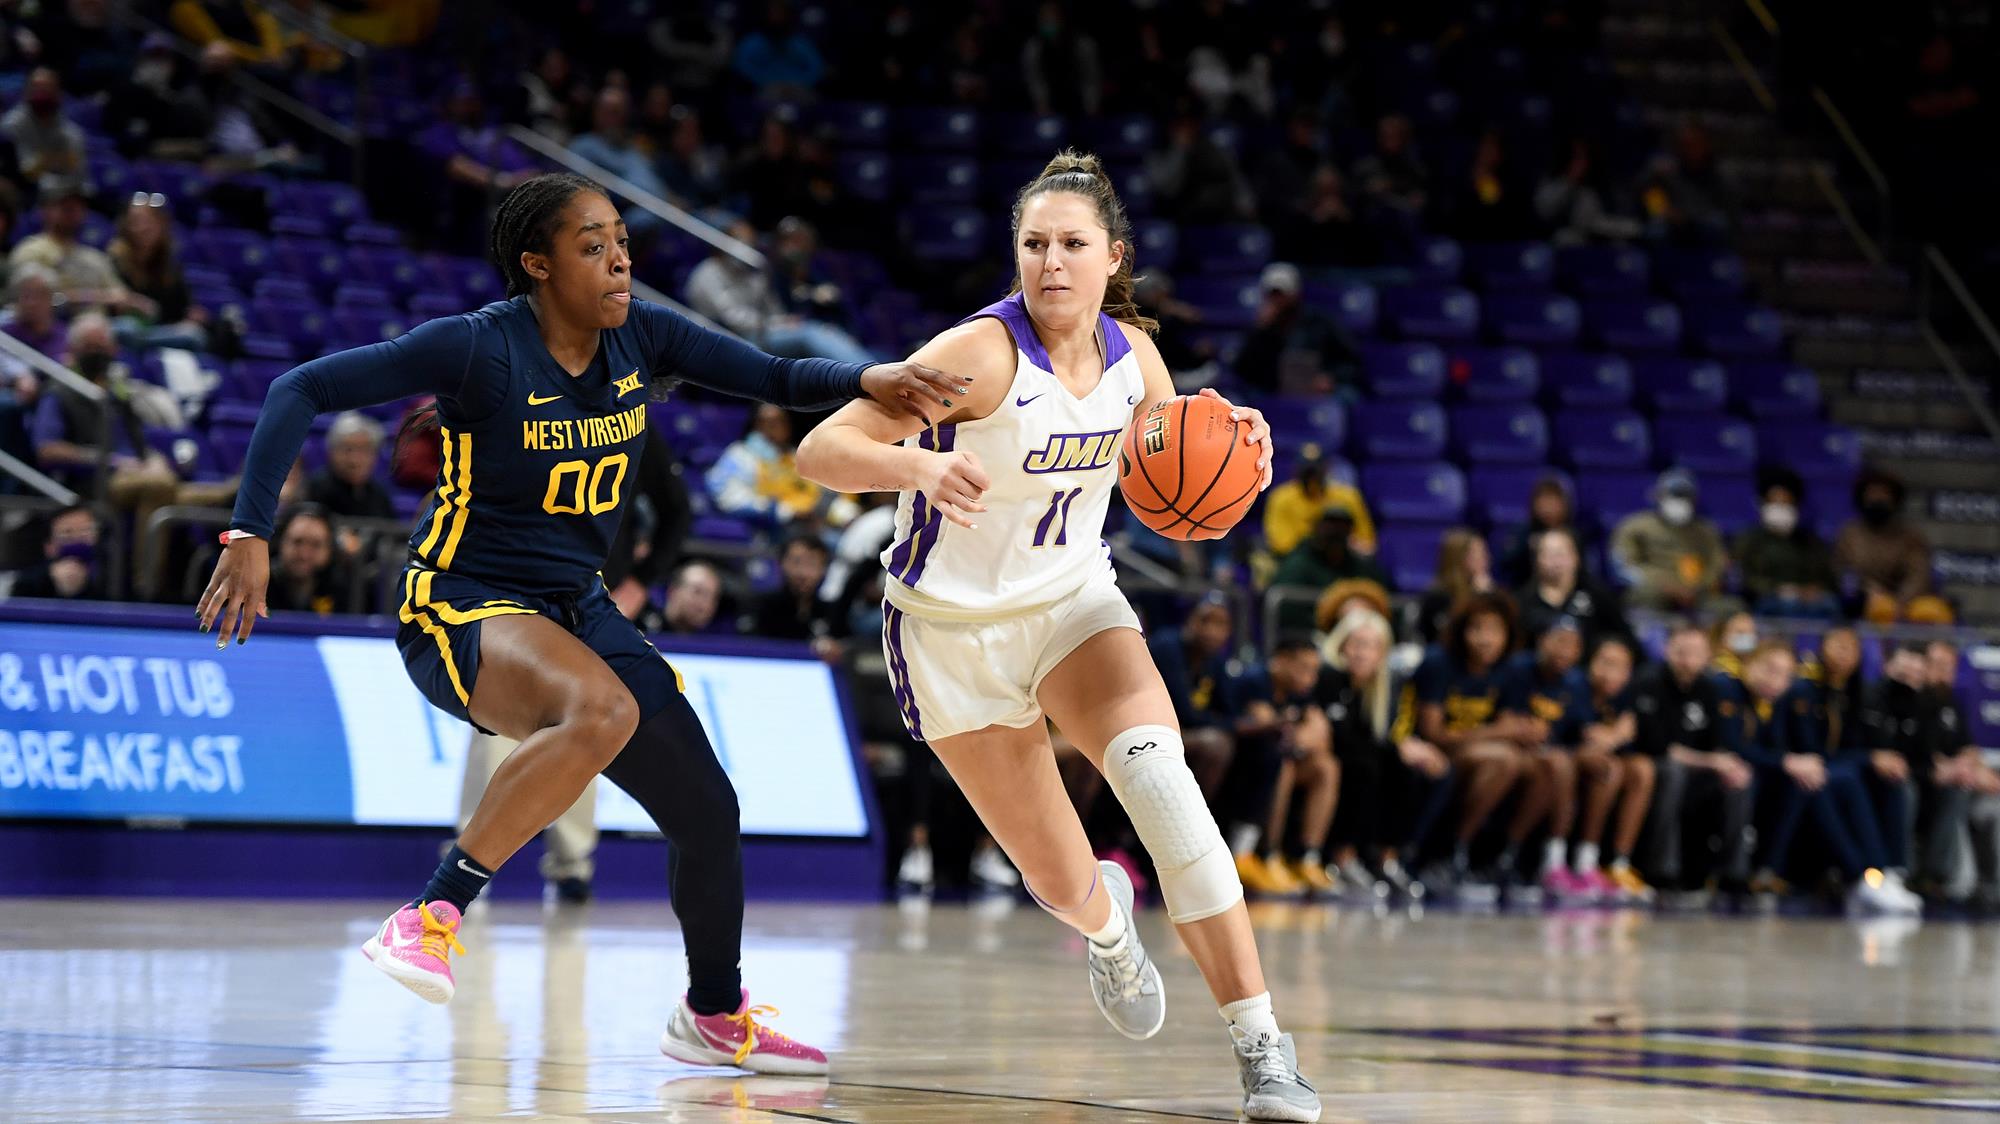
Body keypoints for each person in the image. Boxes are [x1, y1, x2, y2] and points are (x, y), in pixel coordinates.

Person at [194, 171, 963, 1073]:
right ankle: (429, 915)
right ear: (538, 265)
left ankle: (713, 1015)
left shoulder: (644, 335)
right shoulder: (478, 350)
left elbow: (777, 374)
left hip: (579, 607)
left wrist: (870, 375)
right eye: (592, 245)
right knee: (600, 712)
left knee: (708, 811)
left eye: (622, 242)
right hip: (459, 600)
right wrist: (250, 530)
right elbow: (299, 388)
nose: (618, 260)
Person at [792, 151, 1321, 1120]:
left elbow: (1180, 451)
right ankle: (1108, 931)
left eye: (1070, 244)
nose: (1049, 262)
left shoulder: (1132, 356)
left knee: (1167, 792)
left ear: (1111, 256)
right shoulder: (978, 355)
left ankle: (1262, 1046)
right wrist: (913, 469)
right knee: (1058, 876)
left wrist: (1239, 437)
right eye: (1032, 244)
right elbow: (820, 447)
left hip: (1075, 604)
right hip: (950, 632)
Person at [1730, 641, 1918, 913]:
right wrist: (1787, 762)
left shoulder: (1780, 703)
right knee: (1814, 783)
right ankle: (1860, 876)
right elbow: (1734, 746)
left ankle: (1881, 872)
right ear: (1750, 665)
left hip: (1777, 779)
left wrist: (1794, 762)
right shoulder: (1731, 693)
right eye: (1770, 669)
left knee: (1842, 779)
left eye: (1785, 674)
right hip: (1751, 782)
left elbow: (1792, 748)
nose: (1777, 680)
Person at [1408, 590, 1537, 901]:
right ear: (1461, 630)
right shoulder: (1439, 663)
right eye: (1477, 629)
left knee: (1543, 765)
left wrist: (1526, 732)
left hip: (1482, 753)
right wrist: (1496, 732)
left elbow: (1512, 729)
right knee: (1503, 760)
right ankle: (1453, 851)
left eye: (1494, 631)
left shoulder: (1510, 670)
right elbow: (1434, 733)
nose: (1484, 639)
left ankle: (1505, 857)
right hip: (1435, 751)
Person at [1320, 609, 1448, 901]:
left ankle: (1388, 859)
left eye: (1371, 646)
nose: (1361, 653)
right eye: (1356, 644)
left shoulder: (1384, 688)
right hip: (1335, 758)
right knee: (1364, 767)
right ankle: (1343, 857)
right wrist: (1396, 747)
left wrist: (1406, 749)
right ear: (1341, 645)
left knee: (1407, 770)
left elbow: (1376, 737)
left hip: (1362, 758)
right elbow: (1343, 738)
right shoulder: (1328, 677)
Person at [1630, 623, 1753, 896]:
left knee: (1739, 779)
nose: (1687, 660)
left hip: (1697, 771)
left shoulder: (1709, 688)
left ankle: (1734, 874)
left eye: (1695, 653)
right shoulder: (1649, 682)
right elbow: (1658, 746)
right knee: (1673, 772)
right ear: (1667, 651)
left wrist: (1729, 765)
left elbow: (1718, 743)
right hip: (1655, 767)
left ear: (1707, 656)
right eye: (1680, 652)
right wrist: (1711, 761)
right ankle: (1663, 869)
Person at [1497, 617, 1614, 901]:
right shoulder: (1519, 669)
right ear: (1542, 642)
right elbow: (1504, 717)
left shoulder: (1575, 682)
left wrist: (1606, 739)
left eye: (1574, 645)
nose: (1565, 651)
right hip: (1521, 750)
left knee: (1605, 766)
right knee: (1559, 763)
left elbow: (1584, 730)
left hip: (1559, 751)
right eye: (1559, 641)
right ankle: (1550, 859)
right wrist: (1525, 729)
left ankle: (1586, 861)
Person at [1860, 641, 1979, 895]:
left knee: (1956, 789)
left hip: (1916, 772)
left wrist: (1948, 769)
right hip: (1878, 773)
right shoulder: (1872, 695)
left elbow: (1929, 750)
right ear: (1889, 666)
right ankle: (1902, 870)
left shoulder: (1930, 702)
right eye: (1905, 671)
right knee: (1905, 790)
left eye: (1917, 671)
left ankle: (1934, 876)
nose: (1912, 677)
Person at [686, 219, 877, 366]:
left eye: (749, 242)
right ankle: (867, 372)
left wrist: (784, 321)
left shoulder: (753, 269)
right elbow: (735, 320)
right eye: (739, 240)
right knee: (809, 334)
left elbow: (772, 307)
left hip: (763, 332)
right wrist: (777, 323)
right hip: (728, 338)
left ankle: (873, 370)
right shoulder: (707, 273)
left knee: (825, 330)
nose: (746, 246)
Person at [1238, 638, 1341, 897]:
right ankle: (1267, 855)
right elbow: (1269, 727)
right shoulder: (1256, 681)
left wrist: (1299, 733)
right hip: (1244, 762)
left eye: (1314, 670)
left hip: (1281, 756)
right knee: (1283, 766)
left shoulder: (1300, 691)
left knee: (1327, 767)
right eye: (1303, 668)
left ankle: (1308, 858)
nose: (1310, 677)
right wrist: (1298, 732)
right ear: (1280, 661)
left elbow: (1320, 736)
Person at [1566, 635, 1652, 902]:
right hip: (1566, 755)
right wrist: (1617, 735)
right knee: (1609, 768)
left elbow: (1627, 736)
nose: (1611, 673)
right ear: (1590, 663)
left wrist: (1615, 736)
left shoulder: (1626, 696)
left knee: (1642, 768)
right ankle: (1585, 861)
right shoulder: (1576, 686)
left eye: (1620, 667)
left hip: (1603, 758)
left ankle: (1619, 863)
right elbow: (1589, 736)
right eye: (1606, 663)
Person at [1610, 467, 1730, 614]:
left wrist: (1698, 587)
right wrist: (1663, 585)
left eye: (1684, 496)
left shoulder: (1706, 531)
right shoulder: (1635, 527)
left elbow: (1717, 564)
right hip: (1653, 589)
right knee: (1644, 598)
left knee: (1730, 607)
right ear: (1659, 496)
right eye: (1674, 495)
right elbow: (1624, 566)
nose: (1679, 502)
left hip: (1696, 591)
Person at [1835, 468, 1947, 624]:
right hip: (1863, 598)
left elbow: (1918, 576)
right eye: (1872, 494)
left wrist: (1900, 601)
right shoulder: (1850, 534)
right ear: (1862, 498)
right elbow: (1842, 571)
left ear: (1894, 500)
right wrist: (1868, 590)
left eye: (1883, 494)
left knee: (1933, 610)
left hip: (1903, 601)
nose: (1877, 499)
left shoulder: (1911, 536)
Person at [1233, 262, 1360, 397]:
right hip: (1275, 392)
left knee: (1347, 395)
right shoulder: (1262, 328)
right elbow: (1244, 370)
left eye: (1282, 294)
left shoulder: (1321, 322)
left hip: (1318, 391)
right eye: (1273, 294)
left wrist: (1331, 378)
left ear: (1295, 294)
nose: (1278, 300)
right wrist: (1260, 331)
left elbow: (1351, 362)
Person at [9, 180, 136, 311]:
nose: (72, 211)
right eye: (64, 206)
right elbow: (28, 298)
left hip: (97, 327)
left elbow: (121, 296)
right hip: (47, 327)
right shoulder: (30, 250)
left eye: (78, 206)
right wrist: (98, 297)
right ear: (44, 210)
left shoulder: (94, 258)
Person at [107, 191, 210, 351]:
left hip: (160, 331)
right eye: (136, 221)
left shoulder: (170, 266)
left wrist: (193, 317)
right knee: (126, 328)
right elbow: (107, 301)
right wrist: (131, 302)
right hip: (125, 328)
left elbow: (180, 311)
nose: (142, 228)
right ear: (125, 225)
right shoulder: (112, 260)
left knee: (194, 335)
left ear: (162, 225)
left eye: (149, 221)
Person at [702, 403, 831, 529]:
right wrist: (784, 512)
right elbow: (728, 496)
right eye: (765, 422)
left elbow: (819, 491)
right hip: (768, 526)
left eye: (778, 421)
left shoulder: (796, 455)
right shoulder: (740, 454)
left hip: (814, 522)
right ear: (755, 425)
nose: (772, 427)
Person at [567, 86, 672, 240]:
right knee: (645, 220)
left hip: (662, 210)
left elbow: (652, 182)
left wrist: (671, 199)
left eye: (620, 113)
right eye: (610, 112)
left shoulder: (633, 150)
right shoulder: (583, 146)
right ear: (596, 113)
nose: (616, 119)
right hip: (621, 218)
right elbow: (580, 191)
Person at [1734, 467, 1838, 618]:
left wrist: (1814, 589)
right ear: (1763, 504)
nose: (1780, 507)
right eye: (1774, 501)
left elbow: (1827, 577)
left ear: (1795, 506)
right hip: (1767, 599)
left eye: (1785, 502)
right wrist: (1776, 590)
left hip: (1807, 602)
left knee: (1829, 605)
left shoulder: (1810, 541)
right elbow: (1743, 578)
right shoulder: (1749, 540)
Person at [1270, 507, 1389, 631]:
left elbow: (1387, 599)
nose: (1336, 531)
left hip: (1358, 635)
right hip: (1308, 638)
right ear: (1317, 528)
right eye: (1330, 525)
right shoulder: (1298, 563)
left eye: (1342, 526)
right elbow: (1286, 612)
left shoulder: (1362, 566)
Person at [1516, 526, 1627, 649]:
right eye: (1548, 554)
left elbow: (1623, 640)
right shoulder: (1522, 601)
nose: (1555, 561)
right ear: (1536, 560)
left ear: (1576, 557)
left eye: (1560, 554)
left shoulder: (1598, 596)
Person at [1260, 444, 1376, 559]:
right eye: (1308, 473)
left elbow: (1367, 544)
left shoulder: (1348, 497)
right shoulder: (1281, 497)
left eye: (1316, 473)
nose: (1312, 480)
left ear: (1326, 470)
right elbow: (1279, 545)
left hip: (1342, 560)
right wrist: (1319, 542)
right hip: (1298, 561)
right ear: (1297, 471)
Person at [307, 411, 394, 558]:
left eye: (364, 450)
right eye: (348, 449)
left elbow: (392, 536)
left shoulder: (380, 494)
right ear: (332, 451)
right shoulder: (316, 487)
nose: (355, 460)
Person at [749, 532, 847, 657]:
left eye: (812, 564)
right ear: (781, 564)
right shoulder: (761, 606)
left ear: (824, 569)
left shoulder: (832, 612)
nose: (803, 573)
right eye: (796, 562)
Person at [0, 69, 87, 184]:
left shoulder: (71, 133)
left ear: (59, 93)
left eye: (47, 87)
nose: (41, 92)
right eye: (37, 87)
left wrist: (45, 164)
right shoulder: (11, 125)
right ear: (26, 92)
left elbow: (78, 175)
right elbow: (25, 171)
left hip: (63, 192)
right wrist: (53, 161)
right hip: (21, 189)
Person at [5, 502, 105, 600]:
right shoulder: (28, 583)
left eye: (85, 531)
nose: (78, 540)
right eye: (67, 533)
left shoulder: (112, 576)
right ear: (49, 546)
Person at [263, 502, 348, 615]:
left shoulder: (342, 590)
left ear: (330, 550)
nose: (304, 555)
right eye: (297, 542)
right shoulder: (259, 585)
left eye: (316, 545)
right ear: (280, 542)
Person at [1414, 528, 1494, 646]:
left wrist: (1487, 596)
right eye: (1478, 554)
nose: (1486, 559)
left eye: (1484, 553)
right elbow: (1441, 637)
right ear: (1459, 558)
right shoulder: (1438, 597)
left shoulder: (1488, 591)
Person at [1496, 474, 1579, 586]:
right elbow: (1505, 563)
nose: (1549, 507)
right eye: (1545, 500)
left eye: (1554, 501)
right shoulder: (1522, 532)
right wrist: (1528, 547)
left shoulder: (1573, 536)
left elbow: (1583, 573)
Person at [731, 1, 825, 99]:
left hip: (798, 87)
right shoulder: (752, 42)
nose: (776, 17)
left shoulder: (799, 42)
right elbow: (741, 65)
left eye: (780, 13)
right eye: (773, 13)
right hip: (764, 88)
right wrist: (765, 81)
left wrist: (799, 82)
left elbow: (817, 67)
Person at [3, 262, 66, 358]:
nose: (32, 303)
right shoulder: (4, 336)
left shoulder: (65, 337)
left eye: (40, 295)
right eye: (26, 295)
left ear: (52, 298)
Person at [661, 558, 724, 635]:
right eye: (697, 591)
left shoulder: (714, 640)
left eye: (712, 597)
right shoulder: (644, 630)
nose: (704, 605)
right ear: (673, 591)